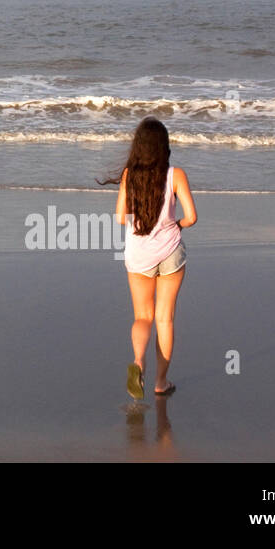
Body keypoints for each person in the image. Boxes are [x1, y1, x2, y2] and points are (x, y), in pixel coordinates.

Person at [105, 117, 197, 400]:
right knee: (164, 319)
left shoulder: (128, 175)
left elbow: (121, 218)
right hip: (170, 253)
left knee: (142, 316)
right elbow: (192, 218)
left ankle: (138, 362)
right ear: (164, 146)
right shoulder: (176, 175)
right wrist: (174, 225)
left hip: (139, 254)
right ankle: (160, 382)